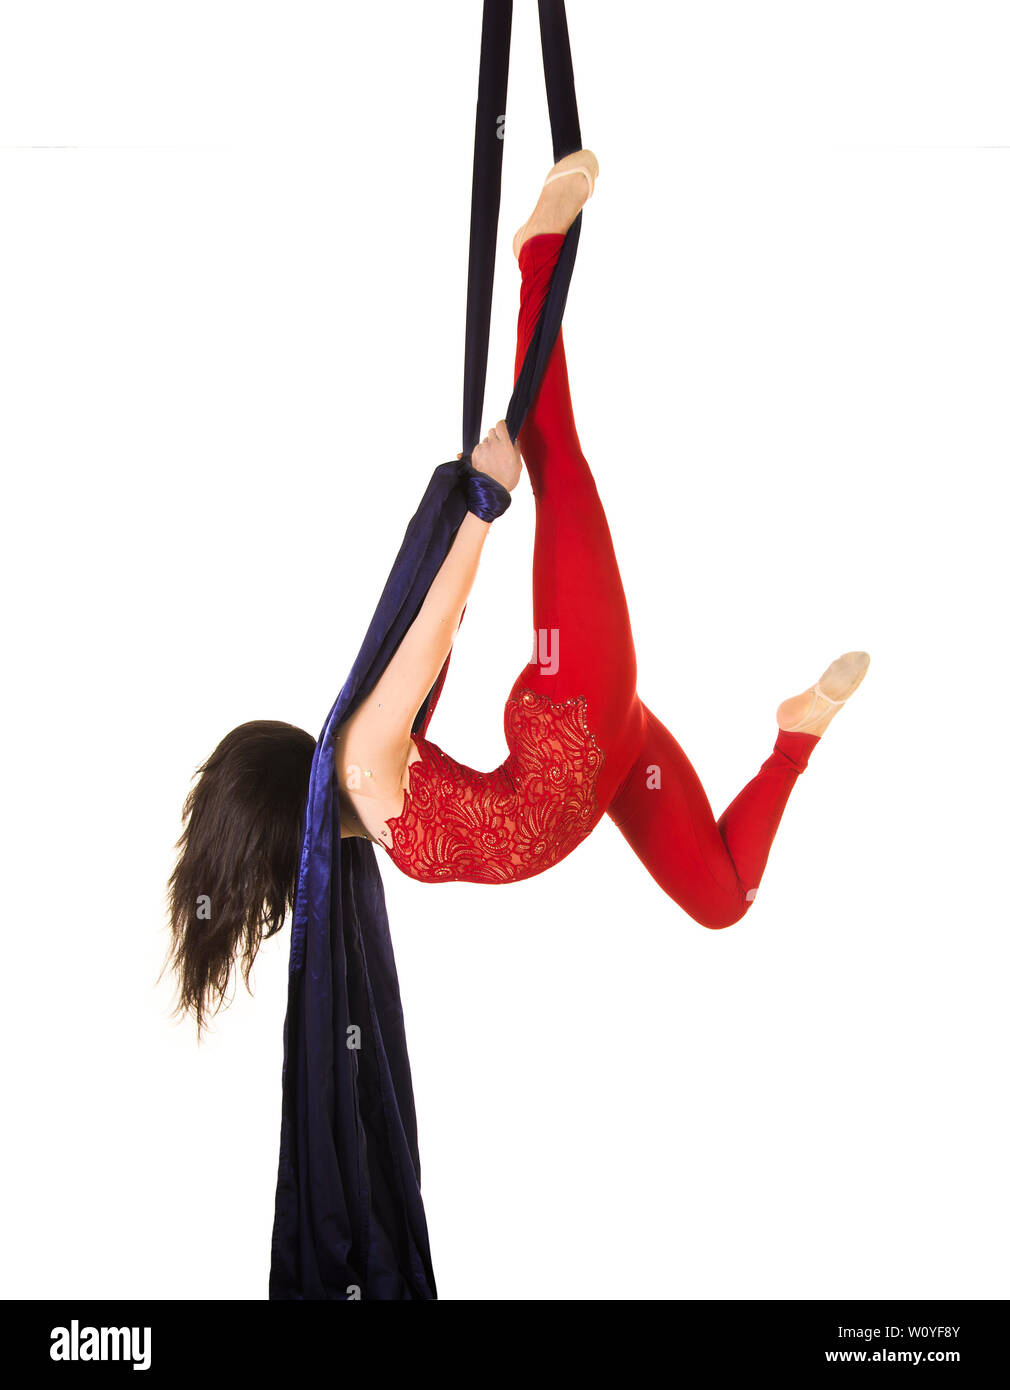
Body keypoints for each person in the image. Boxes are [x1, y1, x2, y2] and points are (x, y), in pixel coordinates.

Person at [165, 150, 869, 1036]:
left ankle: (539, 251)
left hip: (574, 710)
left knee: (555, 462)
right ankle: (795, 734)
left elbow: (426, 639)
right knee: (724, 898)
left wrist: (485, 509)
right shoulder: (349, 837)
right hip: (612, 757)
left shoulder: (358, 760)